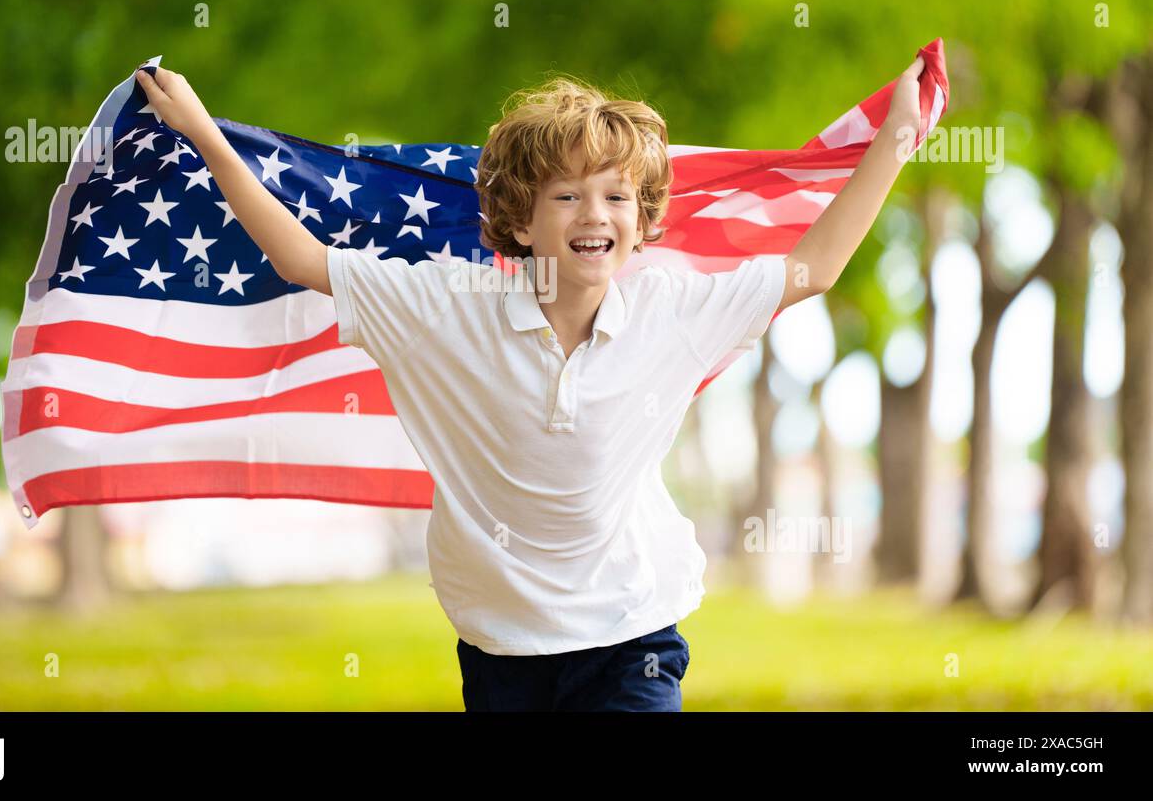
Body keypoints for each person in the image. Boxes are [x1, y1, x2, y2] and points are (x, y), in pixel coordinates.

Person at [133, 56, 924, 711]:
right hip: (502, 646)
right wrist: (201, 130)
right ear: (519, 220)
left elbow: (814, 268)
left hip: (631, 634)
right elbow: (301, 258)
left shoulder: (671, 311)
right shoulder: (446, 308)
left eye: (616, 196)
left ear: (642, 221)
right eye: (568, 196)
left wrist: (894, 139)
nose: (596, 213)